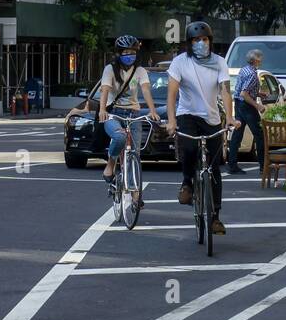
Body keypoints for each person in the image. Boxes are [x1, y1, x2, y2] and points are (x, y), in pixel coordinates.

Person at [166, 21, 239, 236]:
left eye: (205, 39)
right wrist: (171, 121)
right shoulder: (180, 62)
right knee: (188, 148)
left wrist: (230, 118)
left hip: (212, 118)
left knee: (214, 169)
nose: (201, 43)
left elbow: (225, 91)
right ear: (189, 43)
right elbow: (171, 94)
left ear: (210, 41)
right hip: (187, 114)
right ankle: (187, 183)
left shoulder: (219, 62)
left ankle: (215, 217)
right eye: (196, 40)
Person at [98, 35, 158, 188]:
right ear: (118, 53)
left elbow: (145, 89)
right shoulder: (110, 69)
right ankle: (111, 164)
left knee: (135, 154)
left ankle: (135, 192)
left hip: (134, 114)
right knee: (119, 137)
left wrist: (152, 111)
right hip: (114, 114)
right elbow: (105, 89)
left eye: (132, 52)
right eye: (125, 52)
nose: (129, 56)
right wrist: (102, 109)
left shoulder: (140, 70)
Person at [227, 48, 270, 175]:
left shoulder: (244, 69)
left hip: (239, 103)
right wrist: (258, 106)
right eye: (260, 58)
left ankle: (232, 164)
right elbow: (244, 93)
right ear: (255, 60)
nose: (261, 60)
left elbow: (243, 89)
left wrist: (258, 93)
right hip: (246, 105)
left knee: (237, 133)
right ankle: (263, 166)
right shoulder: (252, 73)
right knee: (259, 135)